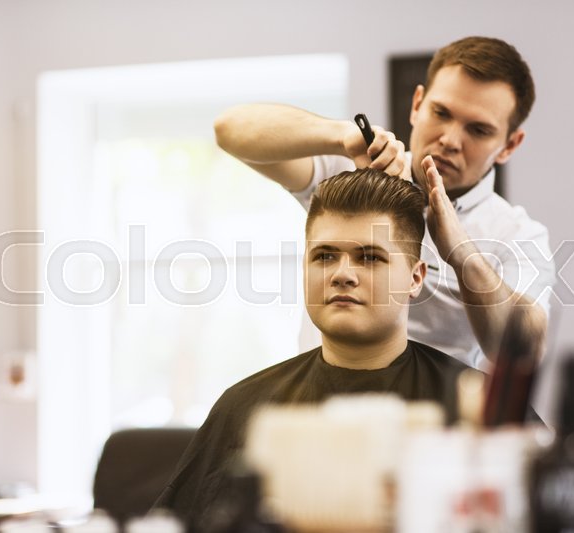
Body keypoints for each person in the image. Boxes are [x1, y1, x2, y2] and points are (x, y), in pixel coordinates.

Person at [214, 36, 556, 371]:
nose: (450, 140)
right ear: (417, 104)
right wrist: (338, 135)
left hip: (437, 420)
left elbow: (523, 353)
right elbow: (229, 129)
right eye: (440, 113)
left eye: (478, 130)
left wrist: (463, 256)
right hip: (322, 407)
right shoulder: (350, 173)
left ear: (510, 144)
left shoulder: (517, 235)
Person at [155, 169, 472, 527]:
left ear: (415, 278)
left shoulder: (476, 409)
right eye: (324, 256)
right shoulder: (245, 408)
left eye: (369, 257)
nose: (342, 274)